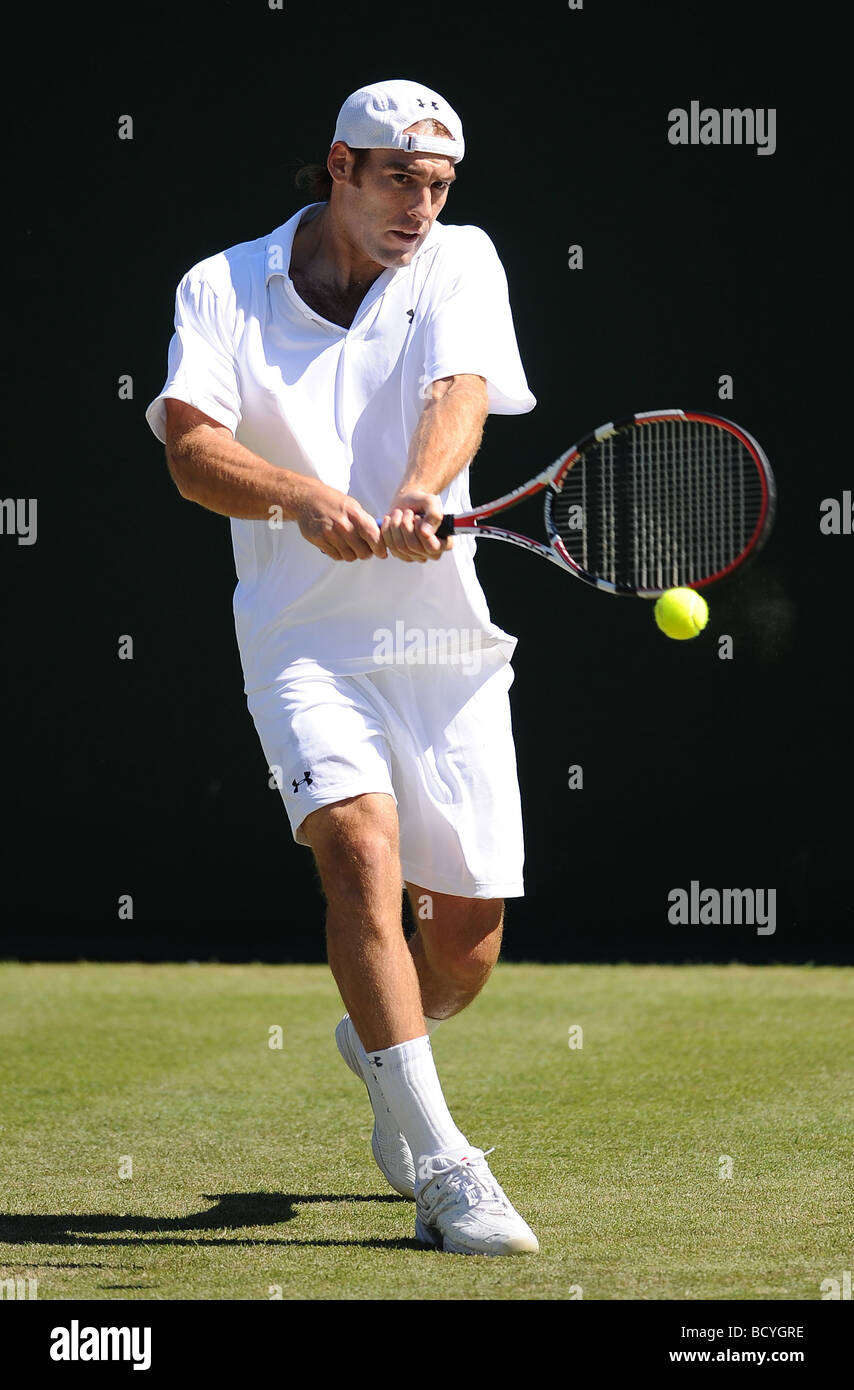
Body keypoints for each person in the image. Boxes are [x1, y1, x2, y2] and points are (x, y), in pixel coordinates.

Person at [146, 79, 538, 1256]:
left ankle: (380, 1036)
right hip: (301, 638)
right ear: (339, 167)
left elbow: (458, 392)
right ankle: (446, 1169)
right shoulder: (221, 285)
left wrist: (421, 488)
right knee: (358, 850)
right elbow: (190, 446)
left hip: (442, 641)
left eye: (438, 185)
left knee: (463, 946)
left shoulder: (458, 261)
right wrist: (301, 496)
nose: (420, 205)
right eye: (399, 180)